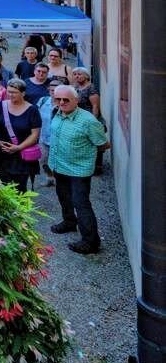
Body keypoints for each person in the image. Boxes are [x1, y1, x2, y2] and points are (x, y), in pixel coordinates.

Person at [48, 86, 110, 255]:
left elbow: (103, 144)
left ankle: (91, 242)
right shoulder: (57, 113)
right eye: (58, 99)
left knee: (81, 204)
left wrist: (84, 156)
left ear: (76, 101)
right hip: (59, 166)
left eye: (66, 100)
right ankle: (69, 222)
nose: (61, 102)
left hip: (78, 171)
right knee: (63, 197)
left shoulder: (88, 121)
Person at [0, 79, 43, 192]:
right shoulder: (1, 105)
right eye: (9, 91)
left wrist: (18, 148)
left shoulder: (32, 110)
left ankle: (20, 210)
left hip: (21, 156)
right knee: (4, 188)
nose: (10, 95)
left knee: (20, 189)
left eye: (14, 92)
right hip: (2, 154)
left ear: (23, 93)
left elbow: (35, 135)